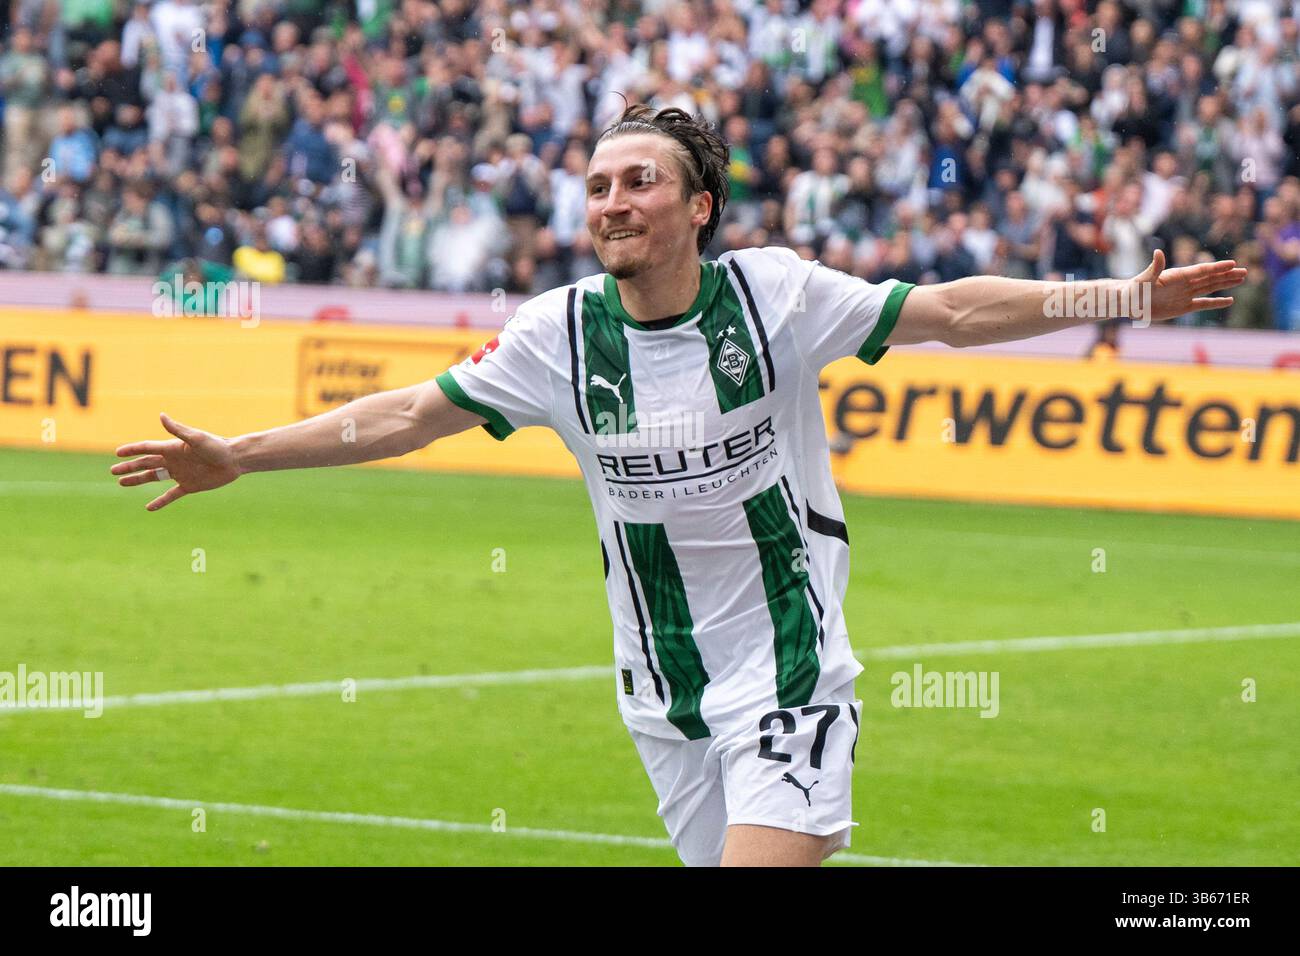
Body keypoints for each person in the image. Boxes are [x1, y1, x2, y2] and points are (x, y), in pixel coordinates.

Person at [109, 105, 1246, 867]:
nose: (610, 199)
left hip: (790, 677)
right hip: (663, 701)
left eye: (638, 180)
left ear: (696, 206)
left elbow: (946, 312)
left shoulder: (776, 296)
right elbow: (405, 414)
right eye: (597, 183)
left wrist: (1115, 300)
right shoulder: (554, 333)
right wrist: (241, 453)